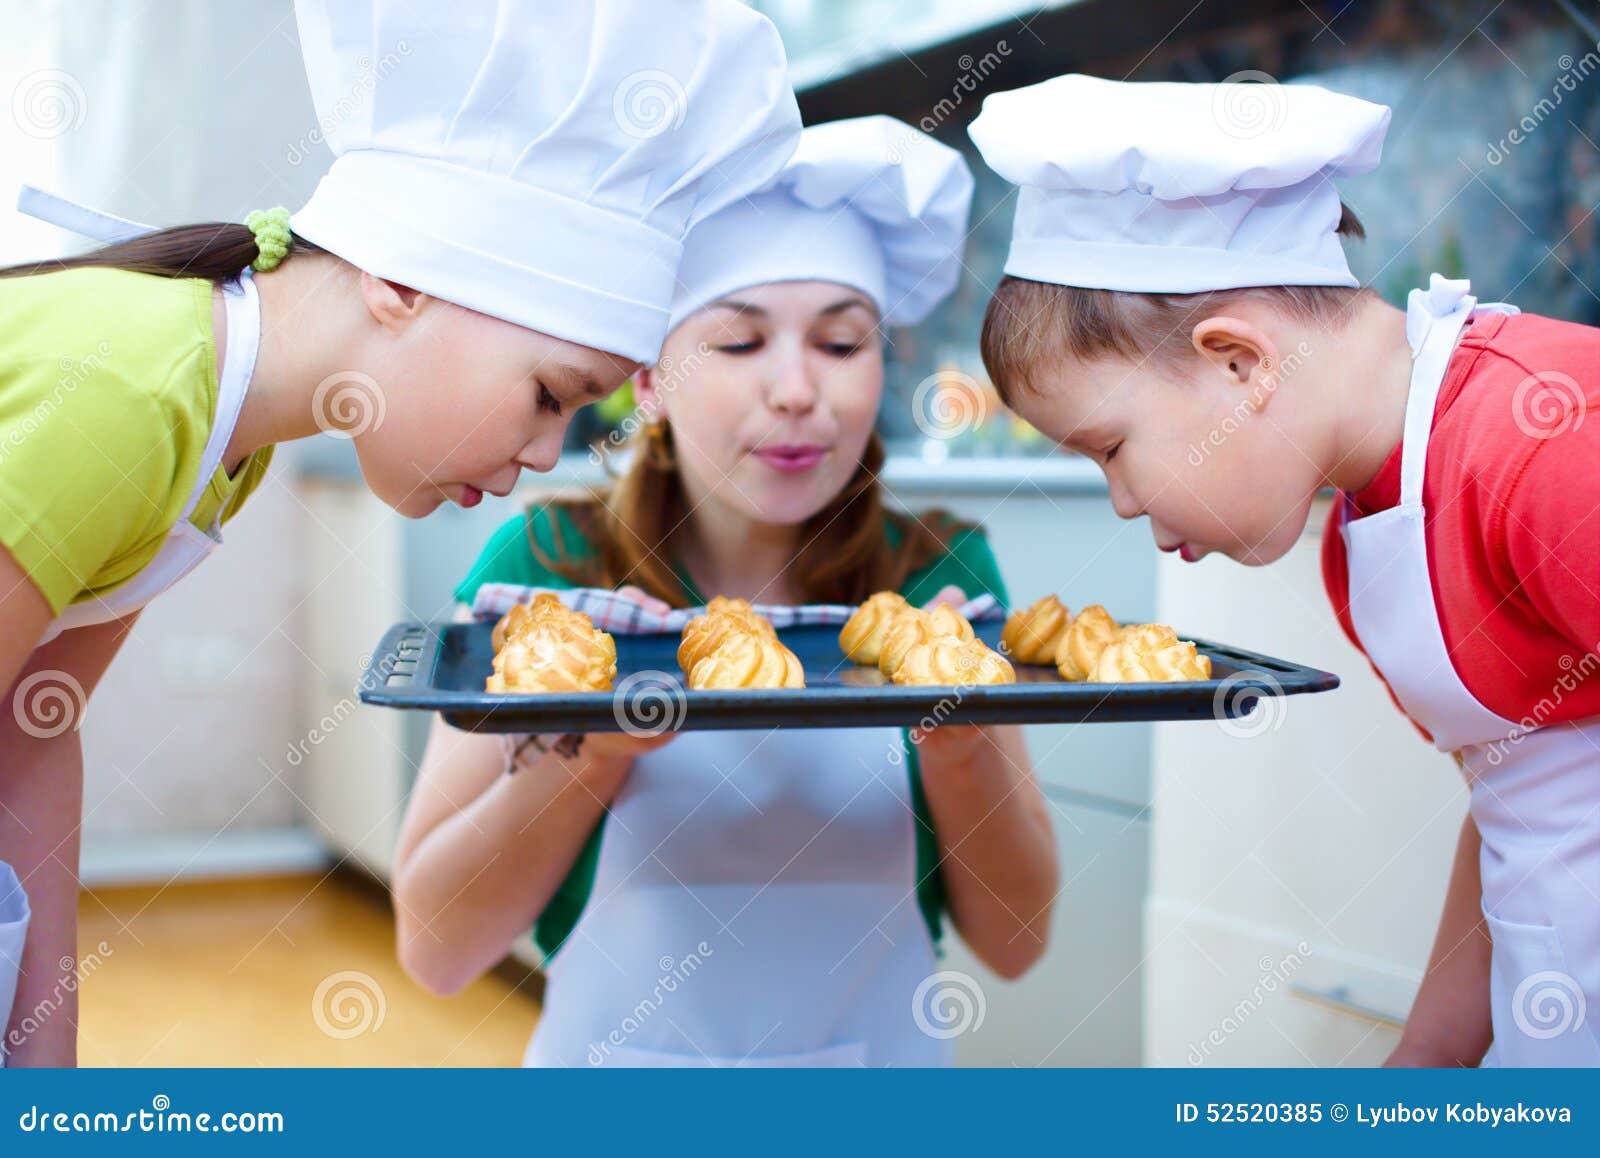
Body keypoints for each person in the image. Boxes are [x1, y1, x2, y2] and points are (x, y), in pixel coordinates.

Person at [0, 0, 802, 1067]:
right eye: (549, 395)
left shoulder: (225, 437)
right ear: (398, 283)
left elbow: (31, 726)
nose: (543, 454)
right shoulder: (132, 397)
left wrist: (44, 1064)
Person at [392, 117, 1059, 1068]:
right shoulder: (544, 571)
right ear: (650, 379)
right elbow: (439, 950)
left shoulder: (940, 584)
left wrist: (962, 750)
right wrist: (596, 746)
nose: (797, 391)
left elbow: (1015, 942)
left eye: (840, 342)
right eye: (740, 342)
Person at [970, 73, 1600, 1066]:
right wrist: (1423, 1069)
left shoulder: (1546, 444)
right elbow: (1521, 810)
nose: (1124, 503)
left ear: (1240, 365)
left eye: (1108, 449)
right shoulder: (1370, 532)